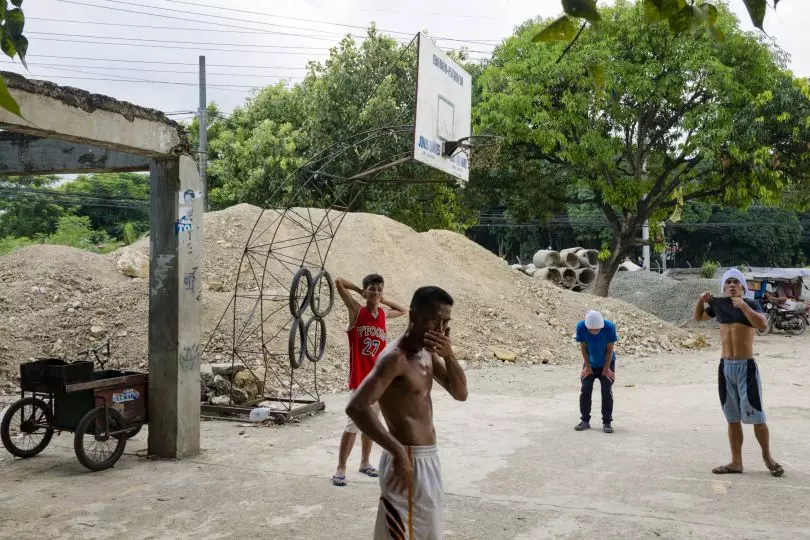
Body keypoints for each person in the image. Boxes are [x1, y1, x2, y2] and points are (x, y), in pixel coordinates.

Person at [346, 286, 468, 540]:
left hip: (428, 459)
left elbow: (460, 393)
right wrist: (398, 451)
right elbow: (357, 406)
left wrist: (450, 354)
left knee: (427, 534)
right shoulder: (395, 358)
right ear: (414, 316)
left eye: (445, 322)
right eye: (433, 320)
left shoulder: (427, 353)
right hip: (406, 457)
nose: (440, 329)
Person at [693, 268, 784, 477]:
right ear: (724, 287)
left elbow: (762, 324)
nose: (732, 285)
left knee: (757, 416)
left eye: (736, 282)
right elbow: (698, 317)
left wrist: (743, 306)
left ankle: (767, 457)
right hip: (725, 367)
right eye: (728, 282)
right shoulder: (720, 306)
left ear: (743, 286)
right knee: (732, 417)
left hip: (746, 367)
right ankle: (736, 462)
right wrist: (701, 300)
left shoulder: (751, 304)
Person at [331, 274, 408, 487]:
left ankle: (365, 462)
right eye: (372, 289)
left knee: (371, 425)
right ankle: (341, 467)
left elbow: (404, 311)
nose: (375, 292)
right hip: (359, 381)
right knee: (353, 425)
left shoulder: (382, 314)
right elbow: (338, 282)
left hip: (378, 382)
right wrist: (359, 290)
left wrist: (383, 299)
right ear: (366, 291)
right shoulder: (357, 311)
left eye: (379, 289)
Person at [574, 310, 618, 433]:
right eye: (591, 330)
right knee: (585, 389)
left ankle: (607, 422)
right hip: (590, 362)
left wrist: (606, 368)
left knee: (606, 391)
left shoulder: (610, 327)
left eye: (597, 330)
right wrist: (588, 367)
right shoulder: (581, 326)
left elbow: (609, 350)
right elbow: (583, 348)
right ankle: (585, 420)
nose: (594, 332)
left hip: (607, 363)